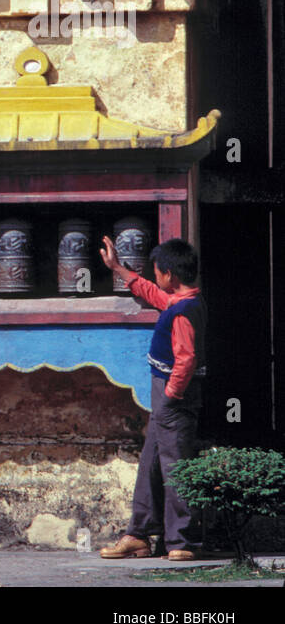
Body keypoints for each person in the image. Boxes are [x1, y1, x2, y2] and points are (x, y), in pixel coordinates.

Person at [98, 236, 208, 561]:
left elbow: (186, 358)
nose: (157, 277)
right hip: (165, 398)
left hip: (174, 397)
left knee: (175, 467)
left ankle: (181, 542)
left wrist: (172, 394)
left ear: (170, 274)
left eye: (158, 271)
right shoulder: (179, 302)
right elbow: (153, 293)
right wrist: (118, 268)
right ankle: (139, 534)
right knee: (151, 462)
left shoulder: (185, 312)